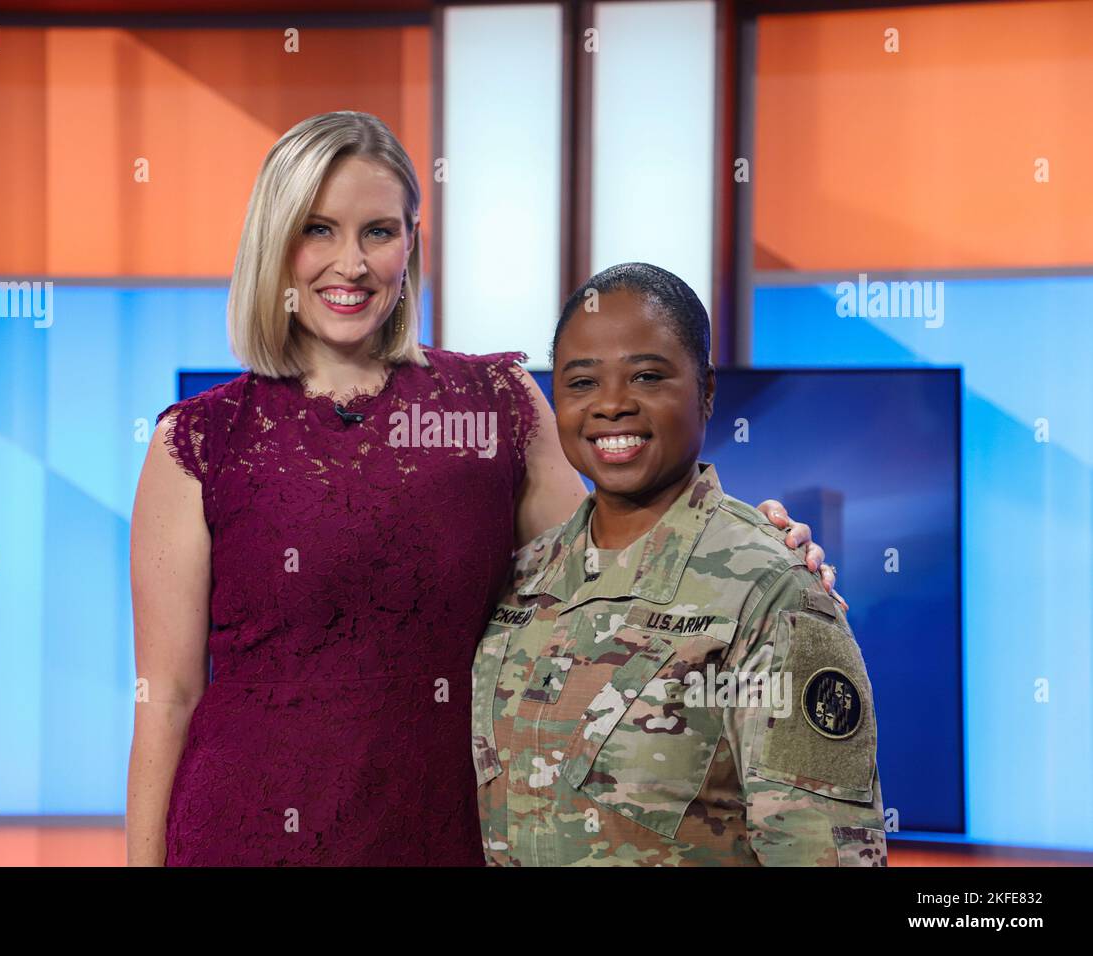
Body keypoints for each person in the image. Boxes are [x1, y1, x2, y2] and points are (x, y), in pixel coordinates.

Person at [126, 111, 835, 866]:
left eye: (378, 231)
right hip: (242, 836)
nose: (352, 263)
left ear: (411, 244)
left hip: (449, 832)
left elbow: (612, 574)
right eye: (318, 230)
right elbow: (166, 701)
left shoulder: (495, 403)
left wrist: (755, 550)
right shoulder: (198, 442)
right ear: (275, 242)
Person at [471, 262, 885, 866]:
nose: (611, 405)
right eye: (581, 383)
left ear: (707, 390)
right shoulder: (517, 583)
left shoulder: (772, 592)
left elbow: (820, 856)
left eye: (647, 375)